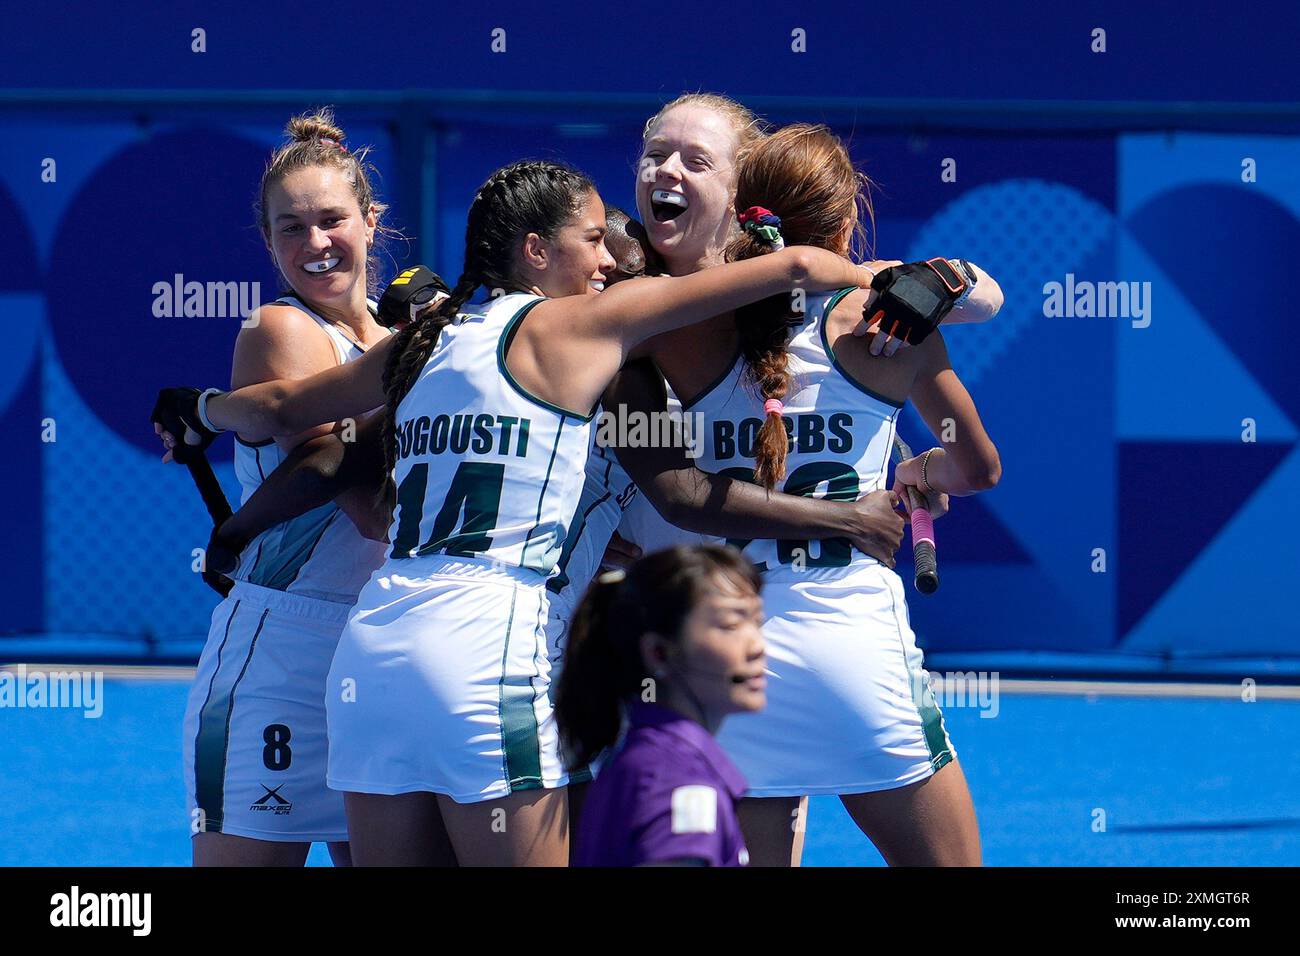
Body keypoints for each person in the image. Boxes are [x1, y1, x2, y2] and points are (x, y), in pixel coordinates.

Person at [153, 158, 876, 865]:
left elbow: (289, 413)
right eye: (593, 239)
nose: (606, 259)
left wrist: (205, 415)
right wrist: (881, 282)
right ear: (536, 250)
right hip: (485, 638)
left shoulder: (425, 340)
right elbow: (792, 272)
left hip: (375, 645)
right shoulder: (584, 327)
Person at [618, 95, 1001, 865]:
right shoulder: (888, 322)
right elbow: (979, 467)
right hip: (852, 648)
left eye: (695, 160)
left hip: (725, 663)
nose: (667, 173)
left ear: (740, 205)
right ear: (843, 226)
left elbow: (680, 487)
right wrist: (914, 473)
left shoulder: (666, 324)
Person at [173, 108, 397, 867]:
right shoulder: (283, 328)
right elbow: (366, 509)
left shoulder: (402, 341)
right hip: (284, 660)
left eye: (332, 219)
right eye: (290, 229)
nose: (315, 244)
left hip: (383, 654)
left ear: (371, 221)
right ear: (267, 243)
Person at [556, 545, 765, 867]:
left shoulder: (650, 758)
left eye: (757, 622)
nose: (758, 646)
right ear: (658, 652)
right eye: (730, 625)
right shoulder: (679, 783)